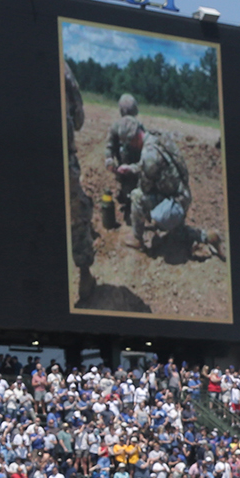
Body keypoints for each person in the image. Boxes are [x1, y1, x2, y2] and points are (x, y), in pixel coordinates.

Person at [118, 127, 223, 261]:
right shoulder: (157, 140)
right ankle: (207, 236)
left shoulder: (148, 153)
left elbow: (145, 187)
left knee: (137, 196)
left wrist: (147, 214)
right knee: (178, 233)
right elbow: (149, 165)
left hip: (173, 204)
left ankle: (138, 240)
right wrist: (131, 168)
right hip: (182, 195)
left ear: (134, 139)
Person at [64, 59, 99, 303]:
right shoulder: (62, 68)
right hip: (64, 160)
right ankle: (84, 275)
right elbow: (78, 120)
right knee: (77, 214)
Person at [104, 92, 146, 225]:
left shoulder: (137, 127)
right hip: (124, 164)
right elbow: (110, 146)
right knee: (127, 185)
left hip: (134, 164)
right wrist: (109, 160)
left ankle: (130, 202)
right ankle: (126, 197)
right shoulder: (117, 127)